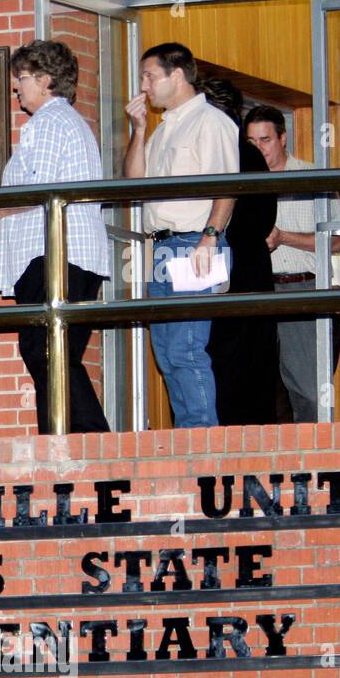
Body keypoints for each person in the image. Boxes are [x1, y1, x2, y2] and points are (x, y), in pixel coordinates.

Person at [0, 40, 112, 435]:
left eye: (21, 78)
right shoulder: (63, 121)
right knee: (53, 355)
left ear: (46, 79)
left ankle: (90, 441)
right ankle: (63, 444)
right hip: (65, 254)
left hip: (55, 254)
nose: (16, 87)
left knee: (46, 353)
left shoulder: (50, 122)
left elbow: (44, 187)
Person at [125, 42, 238, 429]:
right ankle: (186, 440)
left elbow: (227, 186)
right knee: (167, 352)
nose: (144, 85)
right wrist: (139, 131)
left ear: (177, 76)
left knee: (186, 349)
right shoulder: (162, 129)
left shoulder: (211, 121)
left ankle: (202, 442)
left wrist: (210, 238)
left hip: (194, 244)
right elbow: (133, 182)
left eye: (149, 76)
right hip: (160, 246)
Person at [244, 104, 340, 423]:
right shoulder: (240, 182)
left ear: (283, 138)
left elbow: (337, 240)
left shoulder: (313, 177)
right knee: (259, 388)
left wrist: (284, 237)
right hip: (258, 291)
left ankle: (314, 463)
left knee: (308, 390)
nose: (259, 148)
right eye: (252, 142)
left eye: (266, 140)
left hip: (301, 287)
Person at [197, 79, 278, 426]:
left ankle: (217, 448)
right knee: (254, 366)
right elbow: (264, 217)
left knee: (214, 361)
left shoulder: (218, 150)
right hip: (253, 266)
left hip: (221, 263)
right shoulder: (251, 156)